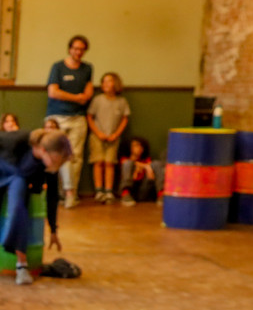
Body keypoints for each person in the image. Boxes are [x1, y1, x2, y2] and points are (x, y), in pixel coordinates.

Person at [0, 128, 70, 286]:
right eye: (57, 159)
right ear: (44, 150)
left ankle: (21, 265)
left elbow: (52, 197)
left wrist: (53, 229)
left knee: (19, 209)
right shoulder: (17, 139)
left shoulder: (49, 166)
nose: (58, 165)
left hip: (17, 176)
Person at [45, 35, 94, 209]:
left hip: (78, 118)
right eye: (75, 48)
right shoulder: (57, 67)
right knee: (56, 155)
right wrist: (76, 98)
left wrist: (83, 98)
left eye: (82, 49)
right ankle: (57, 192)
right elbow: (53, 92)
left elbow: (88, 91)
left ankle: (70, 193)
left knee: (75, 157)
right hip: (57, 117)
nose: (78, 52)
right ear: (69, 49)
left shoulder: (87, 68)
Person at [86, 72, 130, 203]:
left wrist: (116, 134)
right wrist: (98, 133)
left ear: (115, 83)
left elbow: (125, 118)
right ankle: (99, 191)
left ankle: (108, 191)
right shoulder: (98, 100)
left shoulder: (121, 101)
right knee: (98, 161)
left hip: (113, 137)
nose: (105, 84)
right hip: (97, 136)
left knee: (110, 163)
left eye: (109, 81)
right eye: (103, 81)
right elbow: (90, 116)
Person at [119, 136, 164, 206]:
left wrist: (147, 169)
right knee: (128, 163)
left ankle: (161, 194)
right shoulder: (125, 160)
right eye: (136, 146)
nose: (139, 148)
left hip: (143, 191)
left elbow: (151, 175)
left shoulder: (146, 160)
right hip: (132, 190)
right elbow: (127, 163)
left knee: (156, 164)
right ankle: (125, 193)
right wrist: (145, 167)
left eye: (141, 146)